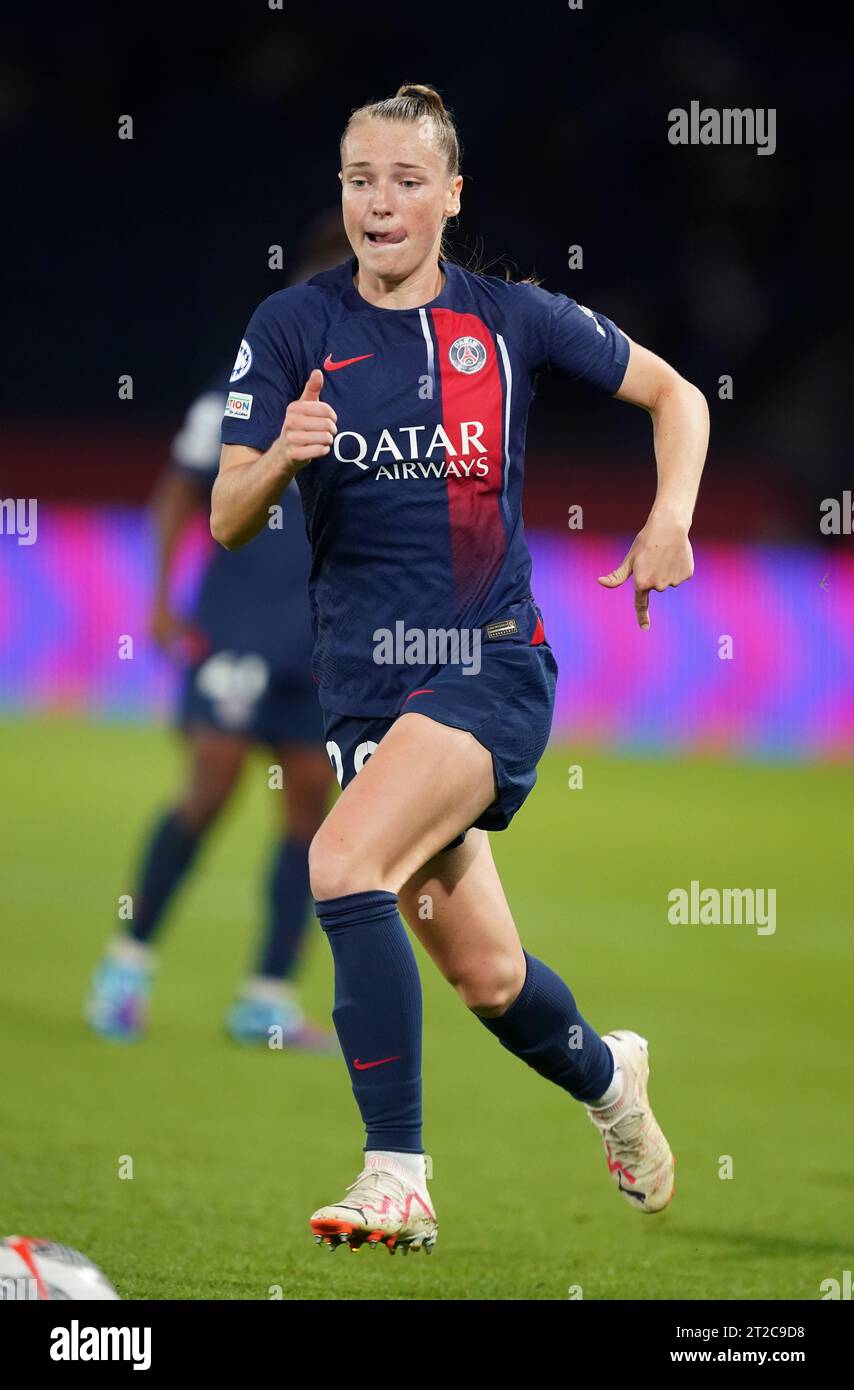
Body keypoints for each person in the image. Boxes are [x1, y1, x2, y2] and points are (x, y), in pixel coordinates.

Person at [210, 84, 709, 1254]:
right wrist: (282, 454)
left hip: (489, 666)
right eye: (360, 181)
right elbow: (228, 515)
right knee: (488, 977)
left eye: (405, 180)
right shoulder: (290, 326)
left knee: (342, 860)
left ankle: (397, 1176)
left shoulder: (512, 319)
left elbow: (676, 395)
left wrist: (670, 518)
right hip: (364, 696)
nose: (380, 203)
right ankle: (612, 1080)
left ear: (450, 195)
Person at [86, 241, 347, 1050]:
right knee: (209, 785)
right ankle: (126, 965)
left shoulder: (380, 395)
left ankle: (266, 996)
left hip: (321, 637)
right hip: (237, 623)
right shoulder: (248, 384)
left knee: (309, 811)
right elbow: (178, 487)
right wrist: (161, 598)